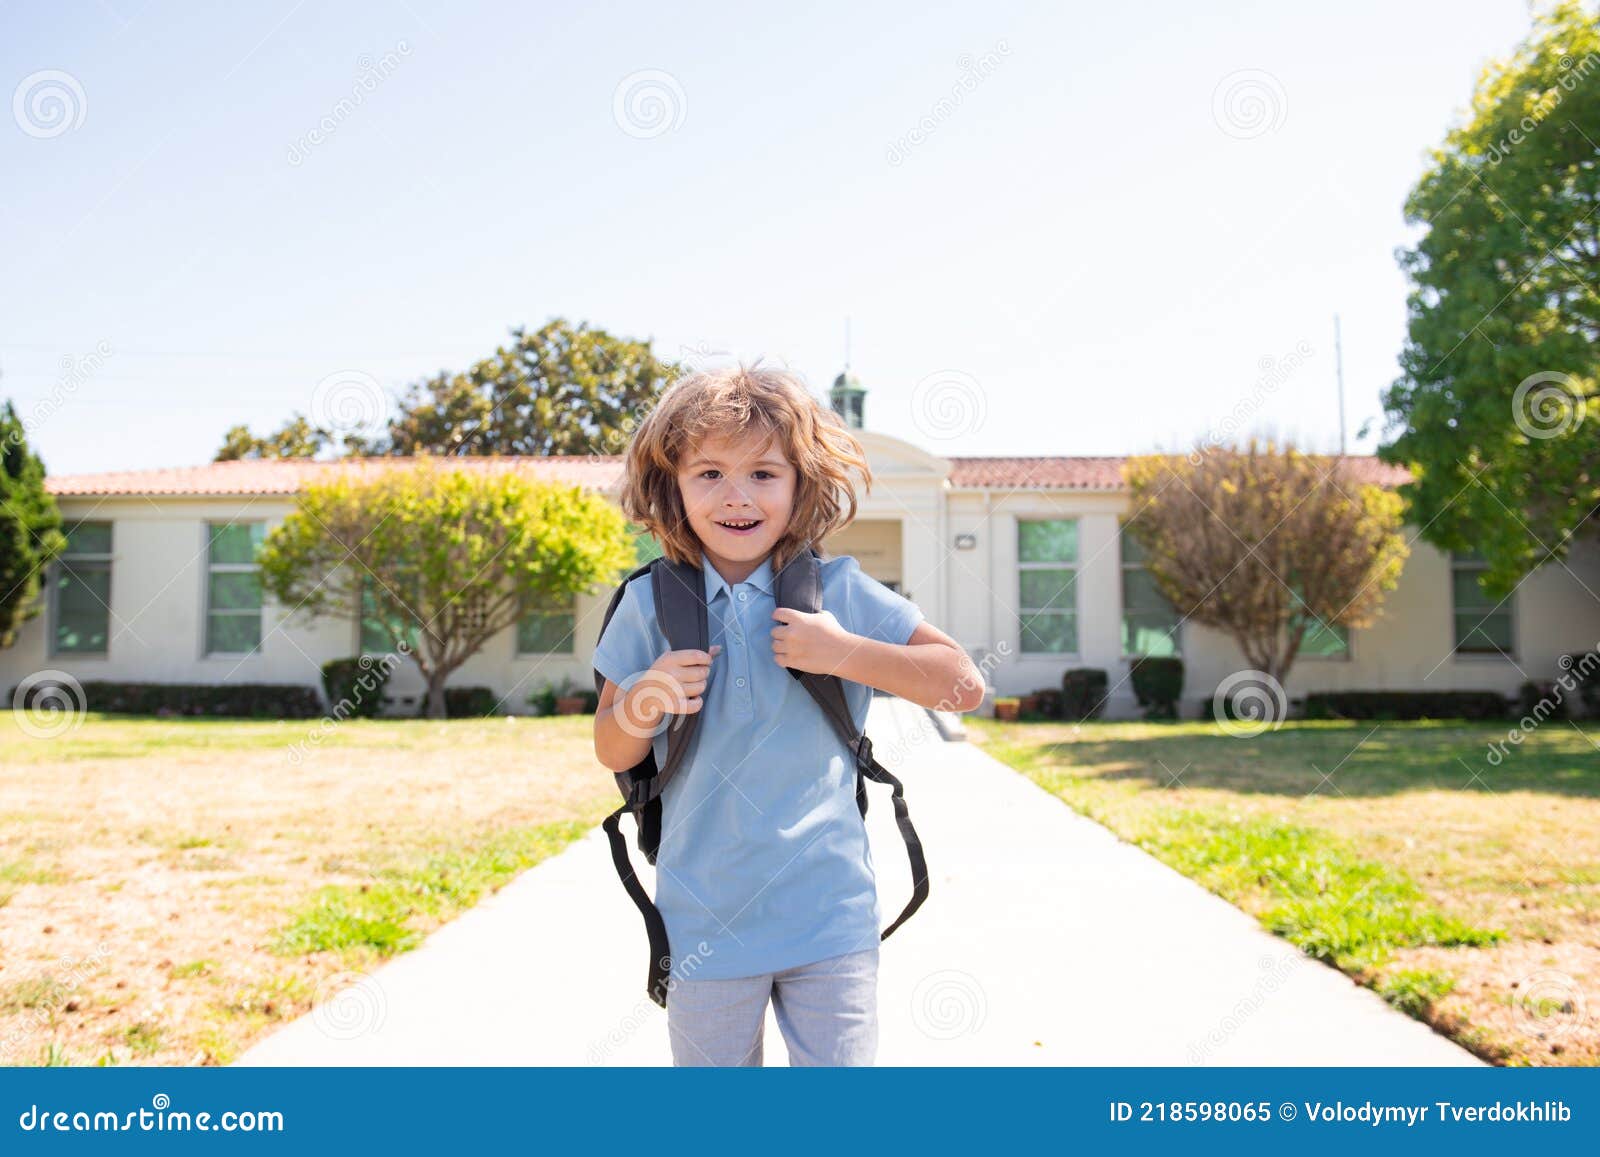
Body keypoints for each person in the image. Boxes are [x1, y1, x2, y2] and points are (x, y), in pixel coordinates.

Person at [592, 361, 984, 1066]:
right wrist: (645, 696)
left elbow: (961, 685)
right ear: (671, 488)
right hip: (703, 922)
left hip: (829, 919)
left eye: (764, 474)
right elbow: (612, 750)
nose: (736, 496)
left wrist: (846, 653)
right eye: (709, 473)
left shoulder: (837, 590)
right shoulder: (650, 603)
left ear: (802, 484)